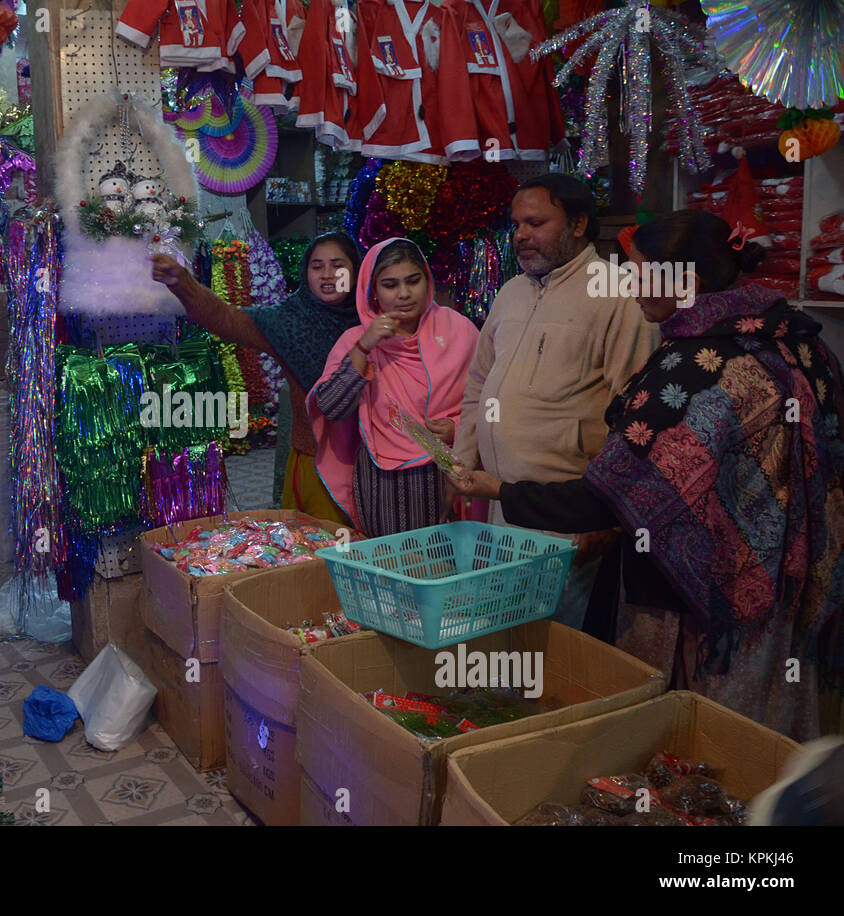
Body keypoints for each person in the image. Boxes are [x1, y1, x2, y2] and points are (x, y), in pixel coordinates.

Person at [450, 209, 844, 742]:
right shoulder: (802, 344)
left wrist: (497, 488)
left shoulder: (692, 366)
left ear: (687, 280)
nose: (628, 285)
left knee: (692, 734)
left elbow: (612, 493)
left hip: (699, 597)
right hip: (780, 583)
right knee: (763, 730)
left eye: (639, 272)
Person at [454, 173, 658, 632]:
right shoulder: (511, 292)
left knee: (561, 645)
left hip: (568, 513)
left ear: (579, 223)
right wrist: (461, 464)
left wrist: (609, 515)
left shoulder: (618, 292)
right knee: (504, 627)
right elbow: (478, 383)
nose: (521, 235)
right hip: (503, 502)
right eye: (516, 224)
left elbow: (637, 411)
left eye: (536, 222)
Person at [152, 232, 363, 526]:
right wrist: (183, 284)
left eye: (337, 265)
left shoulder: (373, 319)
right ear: (306, 272)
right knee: (324, 551)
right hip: (316, 464)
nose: (328, 275)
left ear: (356, 270)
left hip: (373, 462)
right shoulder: (289, 321)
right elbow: (226, 320)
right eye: (317, 267)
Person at [306, 237, 479, 537]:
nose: (404, 294)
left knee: (454, 564)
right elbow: (332, 408)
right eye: (390, 285)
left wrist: (457, 427)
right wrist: (364, 347)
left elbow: (488, 399)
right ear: (372, 290)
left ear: (427, 279)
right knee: (393, 564)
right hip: (385, 483)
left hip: (453, 470)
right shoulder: (355, 340)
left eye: (413, 281)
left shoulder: (459, 330)